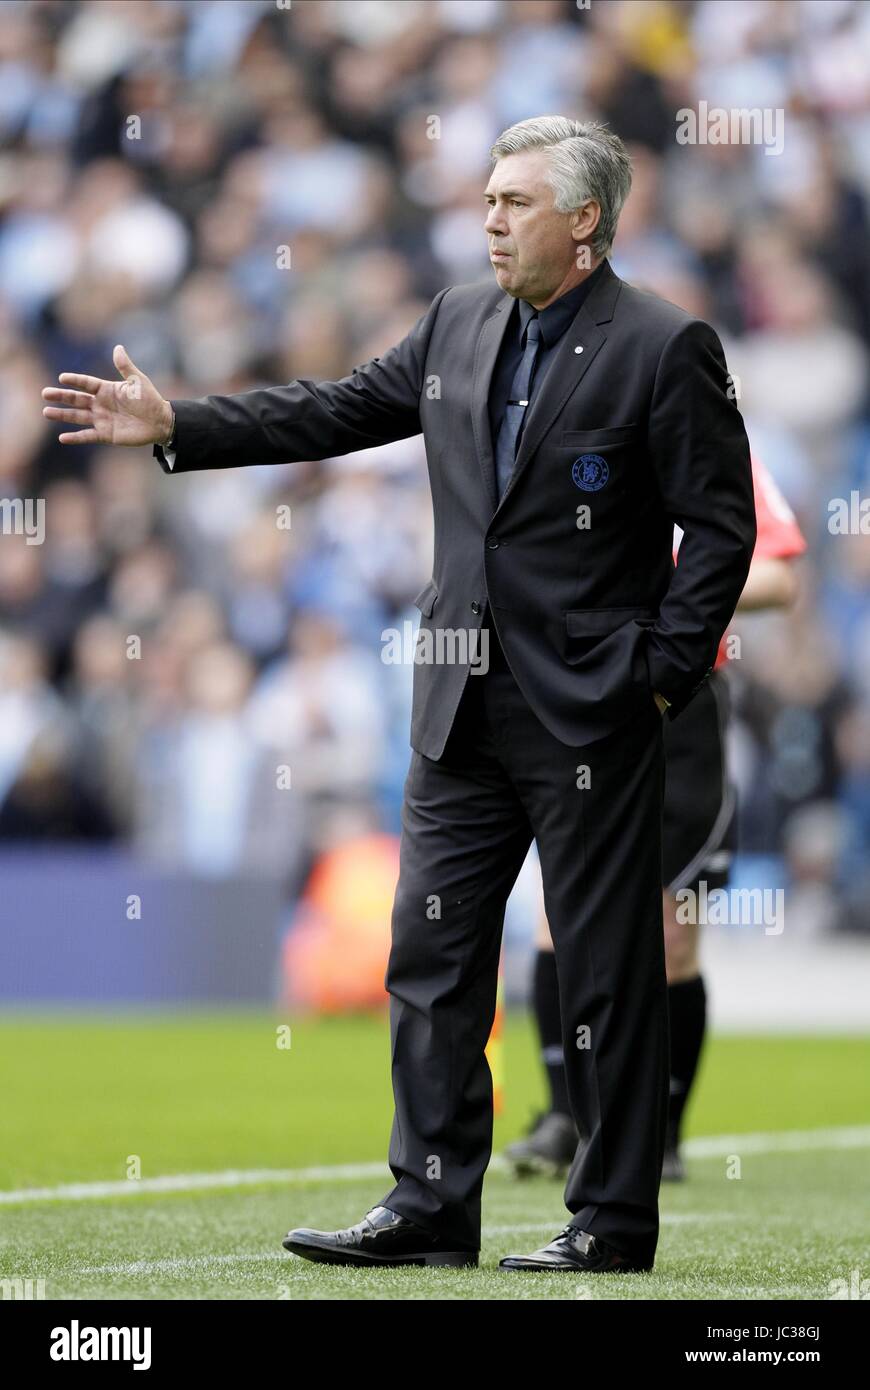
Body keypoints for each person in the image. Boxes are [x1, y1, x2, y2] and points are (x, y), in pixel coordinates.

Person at [42, 116, 756, 1274]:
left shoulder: (666, 344)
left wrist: (659, 679)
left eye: (514, 202)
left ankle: (612, 1222)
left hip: (594, 712)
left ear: (584, 221)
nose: (487, 219)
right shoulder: (457, 320)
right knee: (428, 956)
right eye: (485, 198)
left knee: (604, 969)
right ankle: (429, 1204)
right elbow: (332, 408)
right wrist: (182, 427)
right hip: (457, 705)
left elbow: (719, 532)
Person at [505, 456, 806, 1184]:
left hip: (683, 705)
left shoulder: (719, 455)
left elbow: (778, 577)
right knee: (559, 912)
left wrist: (667, 591)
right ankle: (564, 1116)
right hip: (583, 697)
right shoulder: (576, 446)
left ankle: (663, 1130)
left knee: (674, 931)